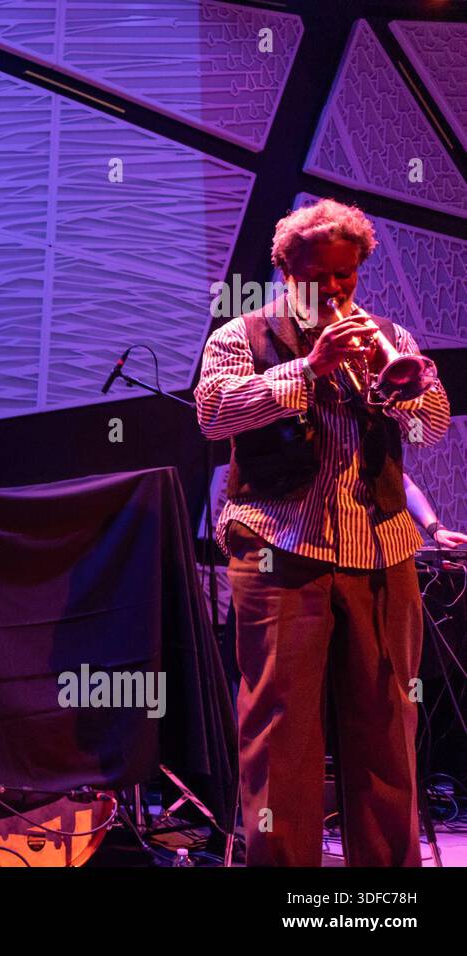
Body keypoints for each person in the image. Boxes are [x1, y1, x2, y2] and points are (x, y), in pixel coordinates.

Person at [195, 198, 451, 866]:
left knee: (386, 727)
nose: (335, 290)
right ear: (286, 271)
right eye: (319, 278)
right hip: (279, 548)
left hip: (381, 549)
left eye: (346, 276)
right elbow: (214, 415)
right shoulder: (240, 336)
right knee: (282, 736)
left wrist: (404, 391)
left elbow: (434, 427)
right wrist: (307, 369)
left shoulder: (387, 334)